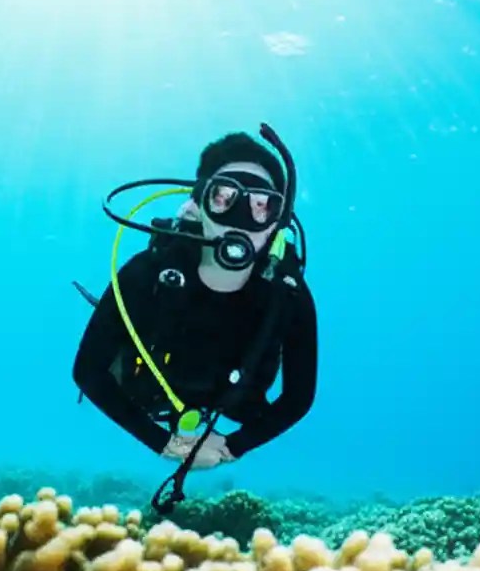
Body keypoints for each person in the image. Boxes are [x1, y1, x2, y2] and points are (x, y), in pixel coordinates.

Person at [72, 124, 318, 498]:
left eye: (261, 206)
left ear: (278, 222)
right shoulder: (147, 273)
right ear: (197, 204)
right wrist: (160, 441)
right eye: (223, 197)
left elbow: (298, 398)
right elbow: (88, 370)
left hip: (237, 402)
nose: (239, 220)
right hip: (153, 390)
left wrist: (236, 444)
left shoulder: (289, 295)